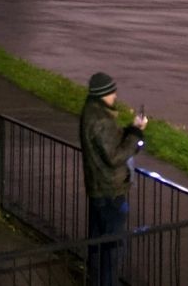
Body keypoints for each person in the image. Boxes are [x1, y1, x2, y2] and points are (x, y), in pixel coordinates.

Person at [80, 71, 148, 285]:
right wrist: (137, 136)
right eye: (112, 91)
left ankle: (97, 281)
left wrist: (132, 130)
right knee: (112, 249)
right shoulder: (100, 119)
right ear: (103, 94)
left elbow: (111, 143)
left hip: (101, 189)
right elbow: (115, 156)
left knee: (99, 245)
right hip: (111, 193)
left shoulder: (95, 113)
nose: (116, 95)